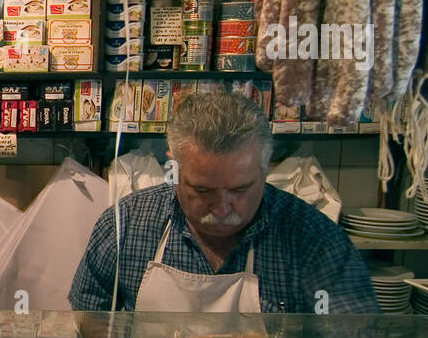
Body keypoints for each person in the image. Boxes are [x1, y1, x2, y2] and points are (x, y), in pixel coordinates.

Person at [69, 91, 380, 315]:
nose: (221, 208)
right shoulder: (125, 223)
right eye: (202, 190)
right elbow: (89, 317)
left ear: (265, 167)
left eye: (240, 189)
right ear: (173, 168)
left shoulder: (315, 240)